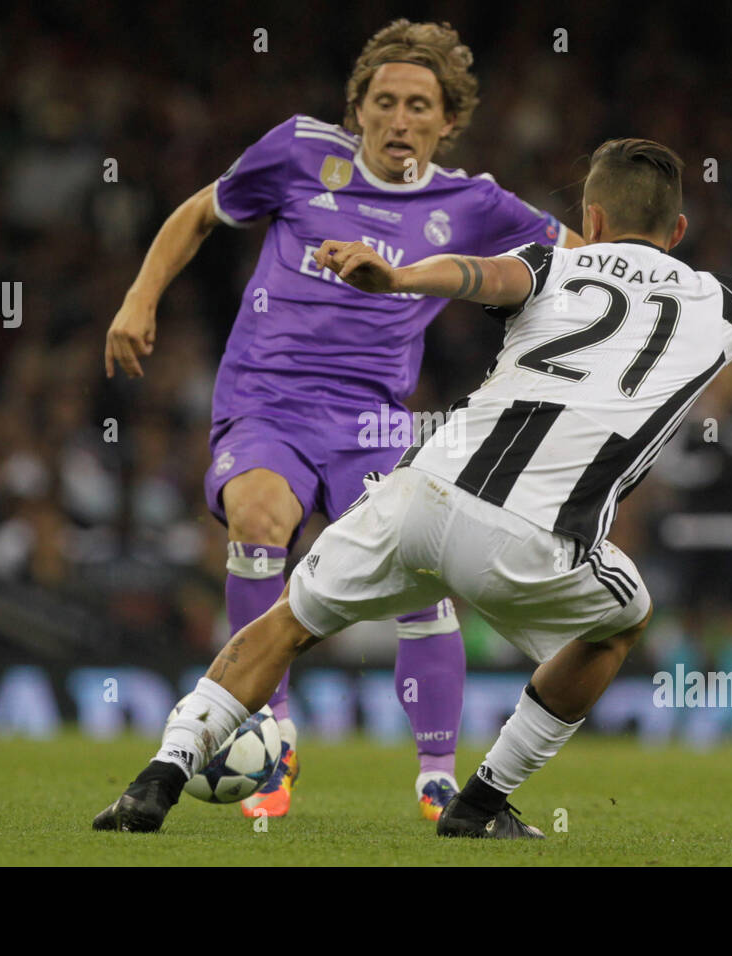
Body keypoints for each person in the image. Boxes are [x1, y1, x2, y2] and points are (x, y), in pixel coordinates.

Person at [93, 138, 732, 837]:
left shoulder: (554, 263)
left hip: (420, 498)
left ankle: (155, 780)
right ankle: (483, 801)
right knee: (625, 620)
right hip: (537, 545)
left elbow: (479, 275)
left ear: (589, 221)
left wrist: (401, 276)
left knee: (289, 622)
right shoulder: (720, 299)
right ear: (679, 231)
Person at [103, 19, 582, 820]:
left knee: (422, 584)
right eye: (384, 102)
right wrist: (139, 296)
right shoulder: (295, 153)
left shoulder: (473, 203)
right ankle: (271, 735)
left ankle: (436, 777)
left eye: (419, 106)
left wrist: (656, 281)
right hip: (266, 400)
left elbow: (582, 260)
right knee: (259, 519)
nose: (400, 119)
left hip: (374, 423)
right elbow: (198, 213)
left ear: (448, 120)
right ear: (356, 109)